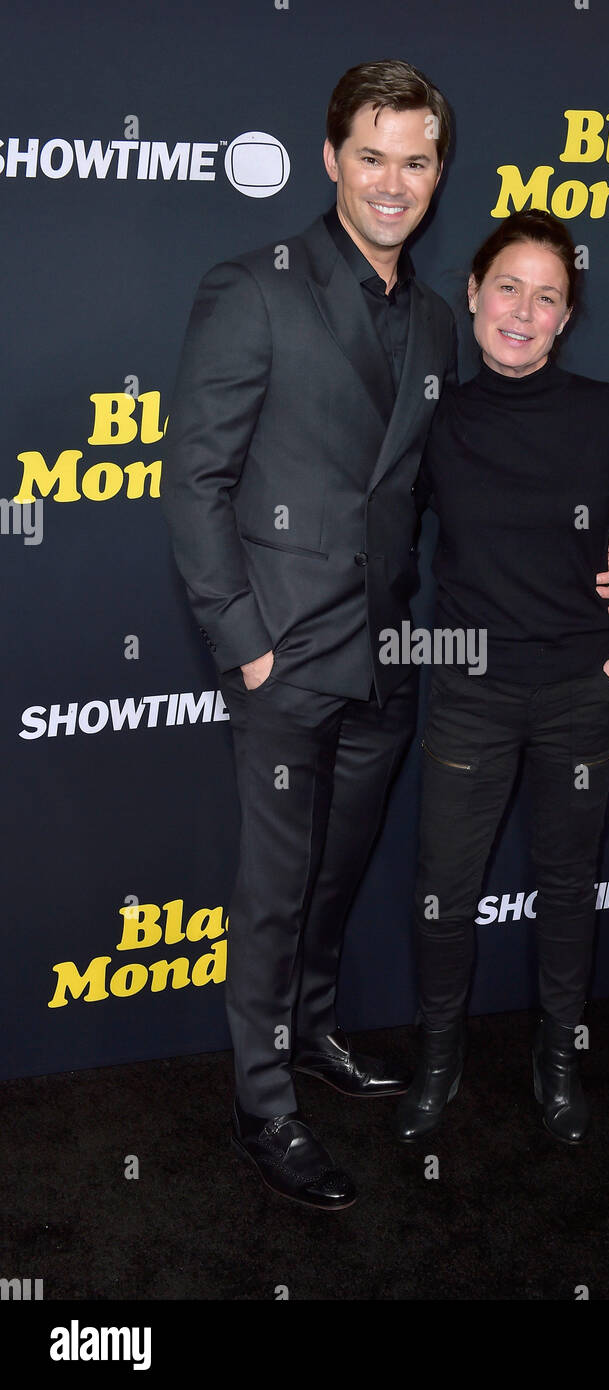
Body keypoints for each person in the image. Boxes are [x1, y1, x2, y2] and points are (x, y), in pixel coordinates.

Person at [160, 60, 458, 1210]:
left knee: (336, 873)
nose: (393, 183)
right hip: (285, 651)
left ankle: (317, 1034)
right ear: (330, 157)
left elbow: (430, 486)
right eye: (371, 156)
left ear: (439, 170)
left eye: (416, 160)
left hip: (389, 651)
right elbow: (194, 481)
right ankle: (262, 1103)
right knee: (276, 888)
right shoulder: (254, 286)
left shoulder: (435, 319)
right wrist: (245, 641)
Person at [395, 209, 609, 1147]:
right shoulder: (435, 419)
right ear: (472, 294)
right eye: (508, 286)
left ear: (566, 318)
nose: (523, 310)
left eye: (547, 297)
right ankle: (438, 1059)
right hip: (471, 690)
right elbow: (381, 533)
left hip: (582, 692)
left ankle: (556, 1057)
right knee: (444, 887)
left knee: (568, 883)